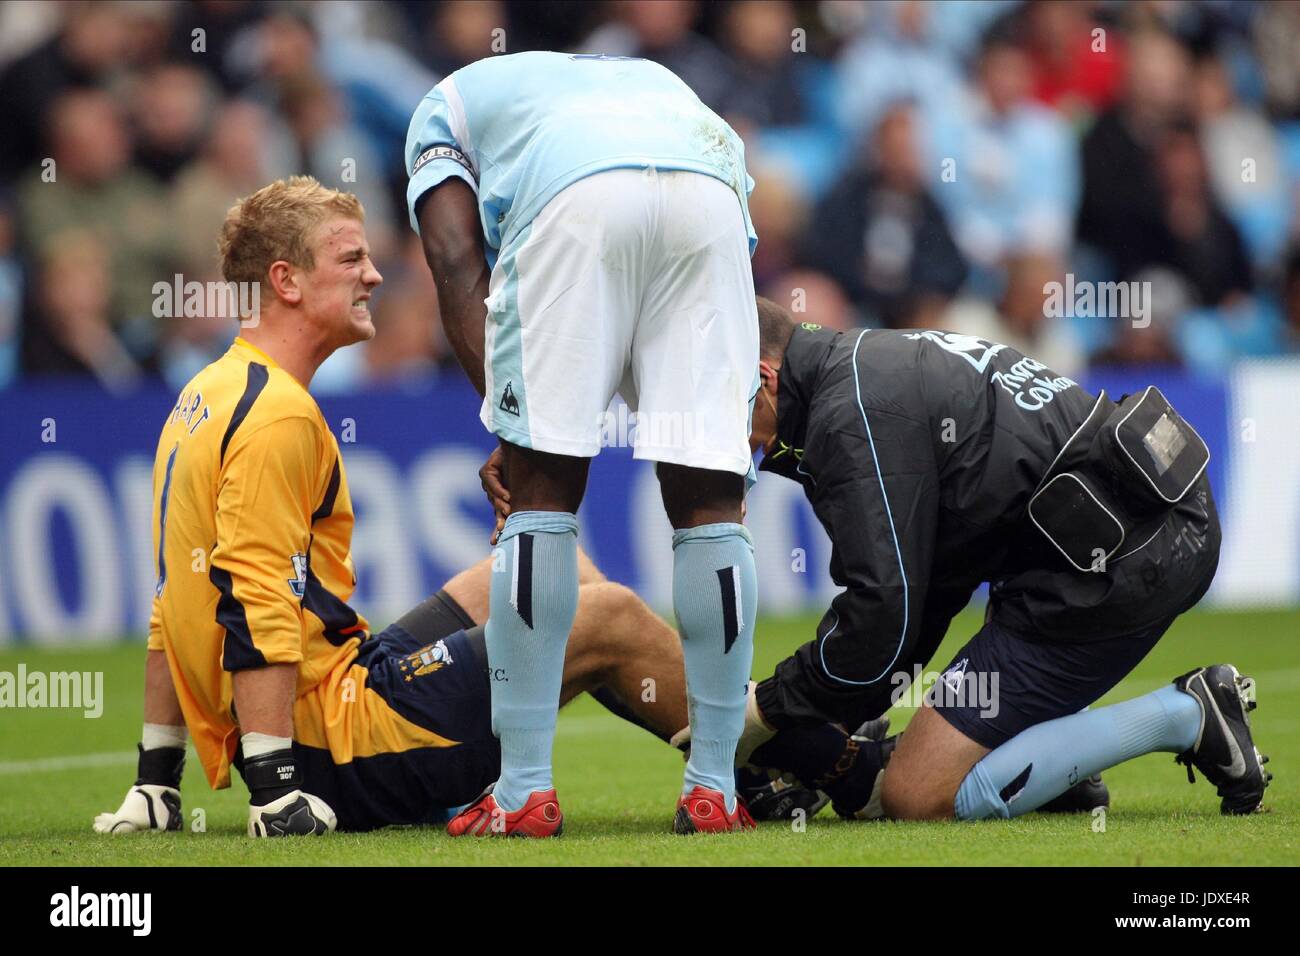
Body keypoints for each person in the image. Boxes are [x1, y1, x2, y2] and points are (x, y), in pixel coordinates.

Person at [92, 177, 692, 837]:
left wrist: (155, 782)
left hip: (336, 692)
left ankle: (739, 752)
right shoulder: (276, 416)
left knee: (557, 569)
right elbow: (255, 597)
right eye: (351, 259)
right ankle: (771, 754)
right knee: (608, 615)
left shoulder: (207, 392)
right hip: (338, 750)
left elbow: (173, 599)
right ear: (287, 281)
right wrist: (274, 790)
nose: (375, 276)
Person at [733, 298, 1270, 821]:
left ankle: (1190, 714)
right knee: (941, 735)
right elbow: (928, 590)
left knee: (914, 795)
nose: (737, 444)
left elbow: (883, 611)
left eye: (725, 406)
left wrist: (775, 707)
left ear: (764, 378)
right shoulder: (863, 364)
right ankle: (1057, 764)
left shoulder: (848, 417)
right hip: (1134, 526)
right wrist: (838, 709)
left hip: (1118, 566)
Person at [408, 52, 761, 836]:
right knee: (710, 505)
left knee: (543, 495)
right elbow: (736, 235)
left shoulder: (443, 107)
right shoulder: (656, 76)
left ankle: (524, 792)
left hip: (576, 191)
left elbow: (457, 260)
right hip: (711, 183)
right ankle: (714, 789)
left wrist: (509, 425)